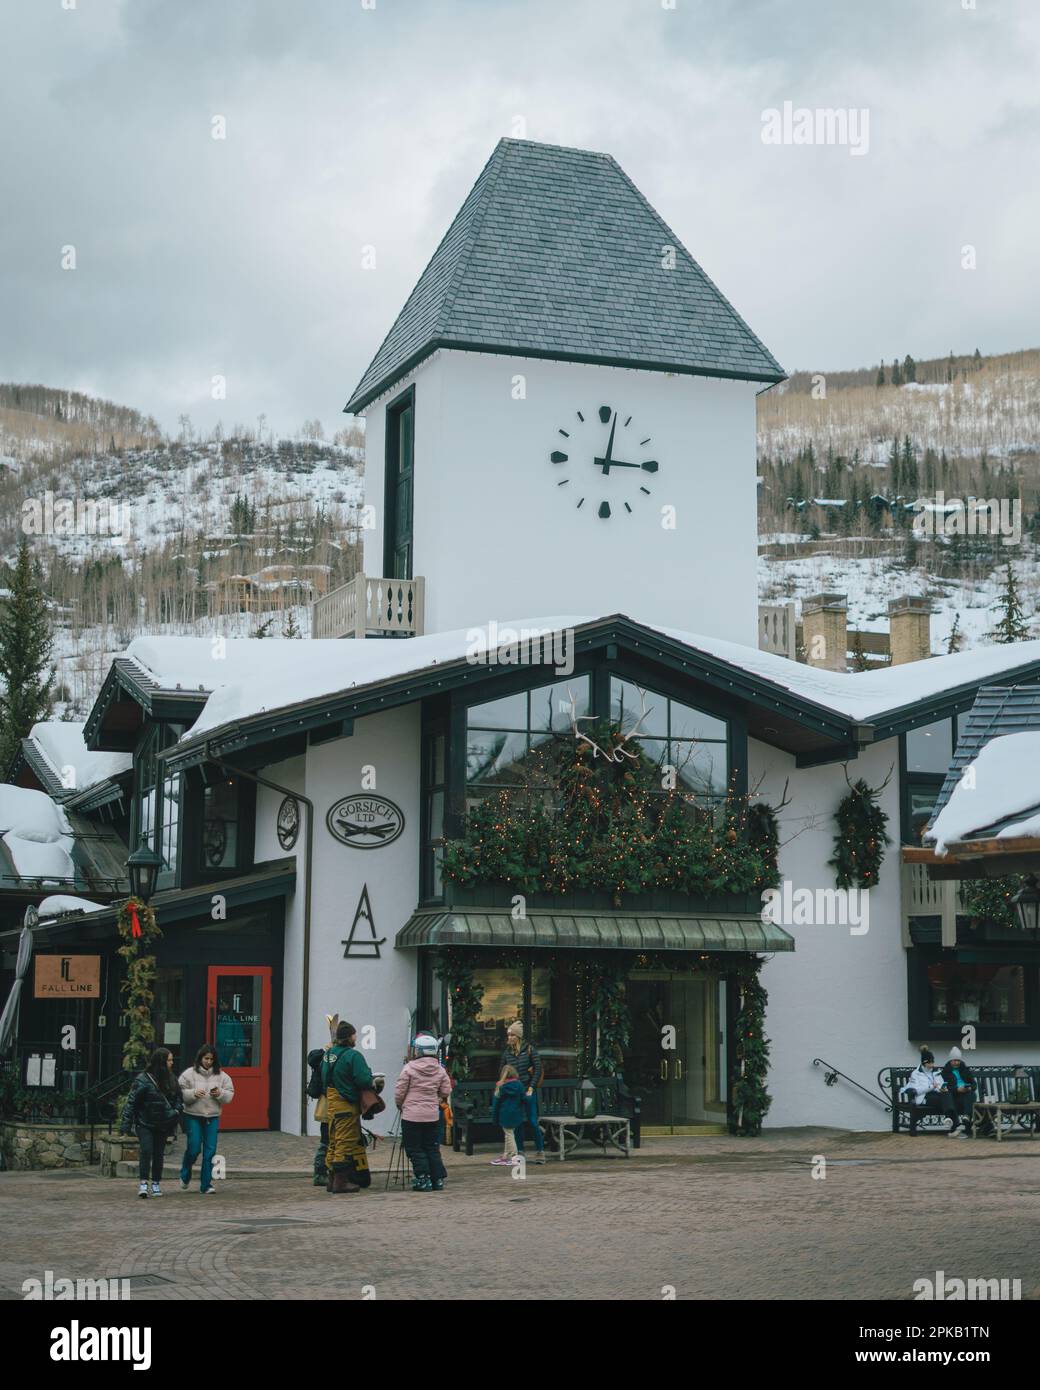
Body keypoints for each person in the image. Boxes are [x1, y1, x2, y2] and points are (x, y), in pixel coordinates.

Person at [119, 1046, 183, 1197]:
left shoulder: (172, 1079)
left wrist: (176, 1111)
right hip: (145, 1122)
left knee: (158, 1153)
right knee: (146, 1150)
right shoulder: (143, 1079)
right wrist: (126, 1124)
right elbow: (132, 1102)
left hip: (162, 1123)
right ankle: (143, 1183)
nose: (172, 1063)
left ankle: (155, 1182)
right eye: (169, 1060)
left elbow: (178, 1098)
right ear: (161, 1062)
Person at [394, 1033, 452, 1192]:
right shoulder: (440, 1070)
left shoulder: (409, 1068)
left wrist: (400, 1104)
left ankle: (422, 1178)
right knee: (431, 1147)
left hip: (411, 1115)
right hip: (431, 1114)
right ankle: (437, 1179)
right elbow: (446, 1090)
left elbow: (400, 1091)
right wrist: (437, 1098)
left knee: (414, 1148)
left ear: (417, 1051)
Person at [322, 1020, 374, 1194]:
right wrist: (373, 1079)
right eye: (354, 1035)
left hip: (331, 1104)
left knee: (334, 1142)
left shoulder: (329, 1055)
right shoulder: (353, 1056)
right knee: (345, 1142)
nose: (356, 1037)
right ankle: (340, 1183)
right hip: (346, 1104)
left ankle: (331, 1180)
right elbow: (363, 1080)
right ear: (348, 1037)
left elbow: (323, 1079)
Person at [177, 1043, 235, 1193]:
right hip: (193, 1115)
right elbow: (179, 1093)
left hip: (212, 1116)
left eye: (211, 1059)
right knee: (194, 1147)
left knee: (210, 1151)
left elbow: (229, 1094)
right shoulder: (188, 1074)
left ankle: (206, 1185)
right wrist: (193, 1094)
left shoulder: (222, 1076)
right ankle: (185, 1172)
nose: (208, 1062)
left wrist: (219, 1094)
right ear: (200, 1058)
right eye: (206, 1058)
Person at [500, 1020, 545, 1164]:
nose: (510, 1038)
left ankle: (540, 1151)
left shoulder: (530, 1050)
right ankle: (520, 1151)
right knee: (517, 1122)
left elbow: (537, 1069)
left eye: (512, 1035)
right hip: (515, 1092)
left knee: (532, 1121)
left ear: (518, 1036)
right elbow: (502, 1071)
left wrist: (531, 1087)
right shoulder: (507, 1053)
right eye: (508, 1035)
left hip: (528, 1090)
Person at [899, 1048, 959, 1135]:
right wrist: (931, 1087)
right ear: (924, 1062)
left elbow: (940, 1084)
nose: (932, 1065)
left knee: (947, 1093)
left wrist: (941, 1088)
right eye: (929, 1063)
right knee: (947, 1100)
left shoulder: (936, 1072)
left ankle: (948, 1119)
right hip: (924, 1097)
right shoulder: (916, 1074)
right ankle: (954, 1124)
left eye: (933, 1062)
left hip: (938, 1095)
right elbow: (917, 1091)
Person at [491, 1064, 527, 1166]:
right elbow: (524, 1099)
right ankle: (505, 1156)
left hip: (505, 1114)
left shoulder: (501, 1086)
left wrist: (495, 1118)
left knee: (509, 1135)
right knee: (509, 1134)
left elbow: (496, 1103)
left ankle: (514, 1157)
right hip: (517, 1114)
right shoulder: (519, 1085)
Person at [940, 1046, 976, 1137]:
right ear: (950, 1060)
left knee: (971, 1093)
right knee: (970, 1099)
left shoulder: (965, 1069)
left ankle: (966, 1117)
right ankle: (966, 1120)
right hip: (955, 1097)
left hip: (966, 1095)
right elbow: (946, 1089)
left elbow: (974, 1084)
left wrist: (970, 1087)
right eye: (954, 1060)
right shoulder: (945, 1072)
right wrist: (957, 1089)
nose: (956, 1063)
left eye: (958, 1060)